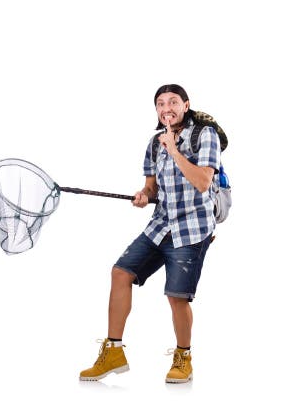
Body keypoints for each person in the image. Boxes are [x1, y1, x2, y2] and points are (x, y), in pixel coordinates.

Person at [79, 84, 220, 384]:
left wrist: (175, 150)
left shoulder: (205, 135)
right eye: (160, 103)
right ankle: (114, 352)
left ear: (185, 105)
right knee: (121, 272)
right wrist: (144, 194)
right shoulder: (155, 143)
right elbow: (151, 186)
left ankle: (184, 358)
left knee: (176, 297)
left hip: (192, 229)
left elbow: (203, 182)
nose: (166, 108)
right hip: (160, 225)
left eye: (173, 102)